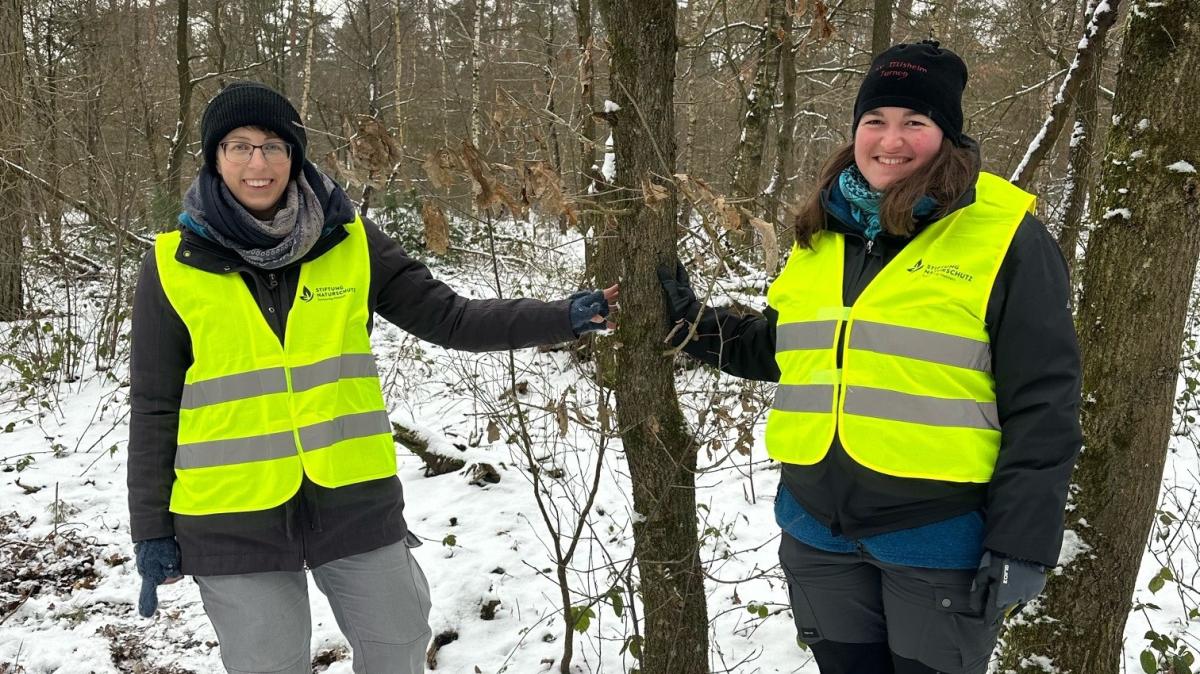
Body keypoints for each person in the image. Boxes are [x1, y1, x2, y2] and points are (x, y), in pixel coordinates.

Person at [127, 81, 617, 674]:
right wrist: (152, 531)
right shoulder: (171, 265)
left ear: (296, 155)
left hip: (353, 501)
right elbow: (155, 406)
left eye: (274, 146)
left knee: (399, 647)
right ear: (215, 157)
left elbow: (450, 316)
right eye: (239, 146)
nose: (258, 163)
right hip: (231, 515)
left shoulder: (349, 240)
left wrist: (563, 315)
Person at [658, 41, 1081, 674]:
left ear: (948, 134)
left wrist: (1023, 540)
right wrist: (693, 326)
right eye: (875, 121)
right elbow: (782, 349)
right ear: (855, 131)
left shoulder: (1005, 237)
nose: (892, 139)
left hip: (937, 540)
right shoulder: (822, 232)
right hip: (815, 531)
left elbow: (1044, 399)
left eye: (916, 121)